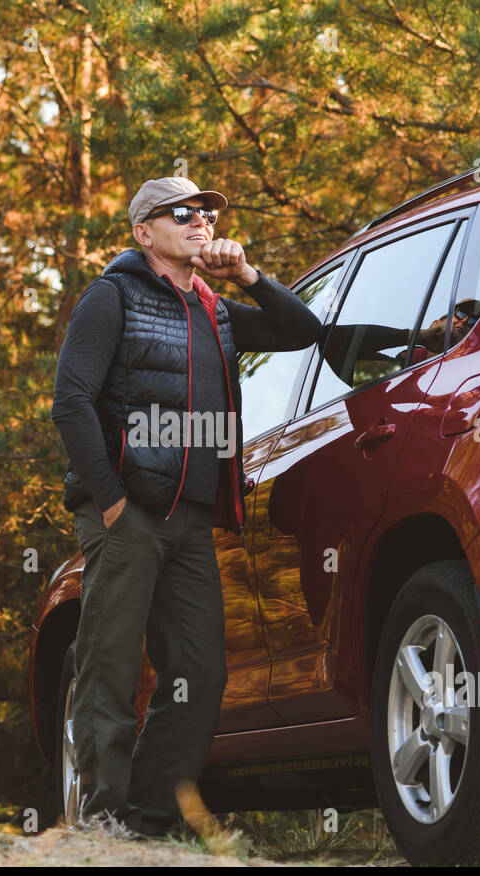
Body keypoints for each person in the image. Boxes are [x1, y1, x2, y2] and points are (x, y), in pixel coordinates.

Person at [50, 176, 324, 837]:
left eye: (207, 213)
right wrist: (112, 503)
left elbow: (304, 330)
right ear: (145, 232)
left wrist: (249, 275)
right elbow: (72, 401)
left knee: (200, 671)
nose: (201, 221)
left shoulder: (215, 308)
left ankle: (152, 815)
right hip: (128, 511)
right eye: (184, 213)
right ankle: (101, 816)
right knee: (110, 665)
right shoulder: (113, 297)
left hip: (191, 518)